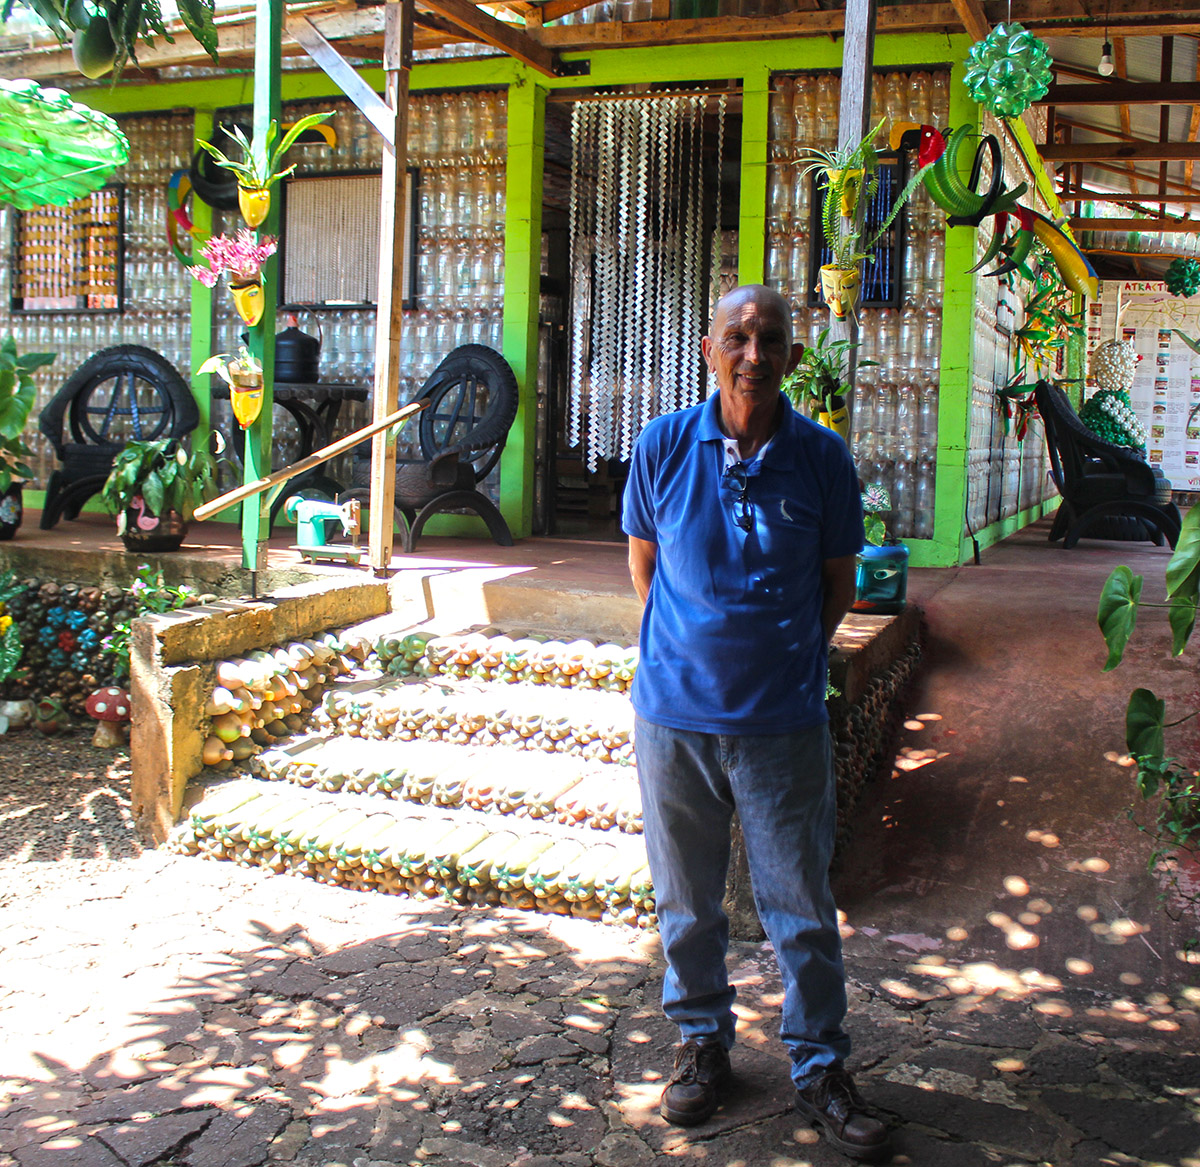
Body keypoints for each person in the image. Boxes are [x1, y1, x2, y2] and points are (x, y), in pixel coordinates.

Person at [622, 284, 891, 1162]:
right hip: (674, 719)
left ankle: (818, 1065)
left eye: (770, 339)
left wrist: (786, 663)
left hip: (781, 724)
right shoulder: (663, 445)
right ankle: (704, 1043)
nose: (753, 353)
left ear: (791, 358)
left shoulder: (822, 458)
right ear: (709, 347)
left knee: (801, 906)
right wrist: (692, 656)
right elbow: (644, 570)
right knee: (688, 902)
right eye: (737, 335)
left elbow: (838, 585)